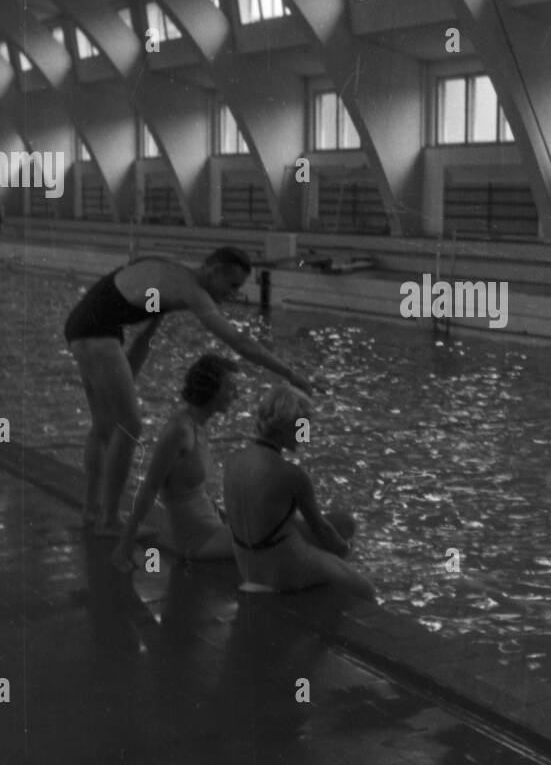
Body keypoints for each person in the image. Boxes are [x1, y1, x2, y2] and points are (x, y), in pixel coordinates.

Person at [64, 246, 315, 535]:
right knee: (129, 424)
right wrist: (290, 373)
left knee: (104, 427)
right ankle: (108, 521)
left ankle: (91, 511)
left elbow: (145, 333)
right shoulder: (190, 289)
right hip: (98, 333)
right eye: (231, 284)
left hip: (85, 327)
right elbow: (239, 342)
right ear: (213, 269)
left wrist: (124, 377)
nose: (232, 293)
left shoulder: (168, 281)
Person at [223, 385, 374, 600]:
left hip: (246, 563)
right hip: (281, 567)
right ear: (286, 427)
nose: (305, 434)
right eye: (302, 426)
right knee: (365, 590)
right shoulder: (291, 475)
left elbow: (265, 514)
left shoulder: (234, 461)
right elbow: (321, 530)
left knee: (343, 522)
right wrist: (345, 551)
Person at [111, 355, 239, 570]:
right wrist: (124, 545)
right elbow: (150, 487)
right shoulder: (179, 431)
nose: (236, 395)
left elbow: (196, 492)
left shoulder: (197, 424)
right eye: (230, 388)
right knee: (276, 537)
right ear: (212, 388)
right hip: (197, 541)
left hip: (210, 529)